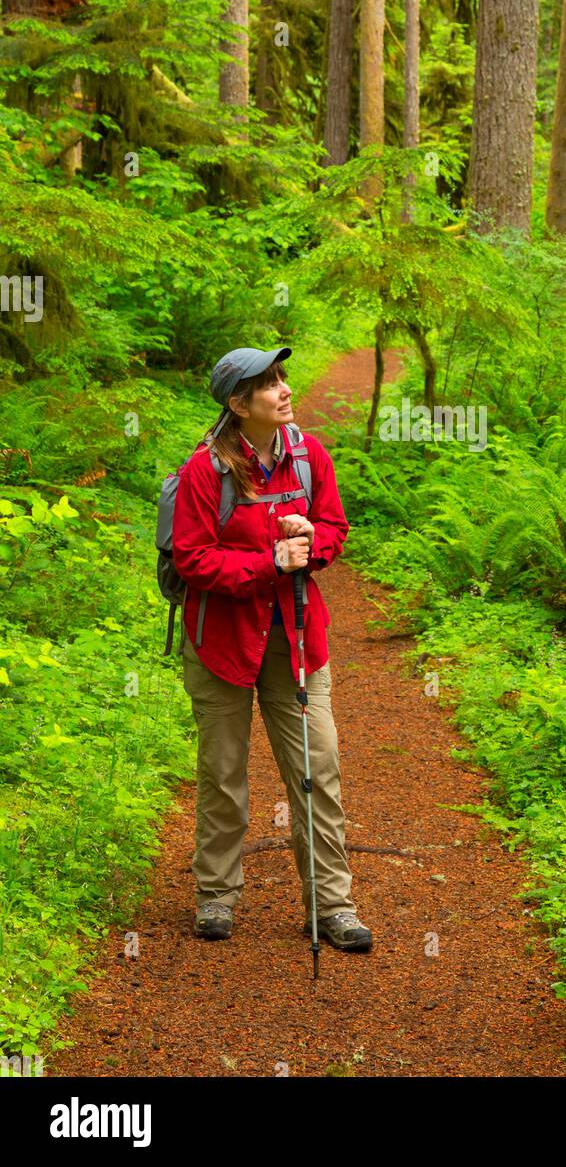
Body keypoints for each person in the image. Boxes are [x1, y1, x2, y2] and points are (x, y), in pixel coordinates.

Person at [171, 344, 372, 952]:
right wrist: (269, 563)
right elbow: (193, 557)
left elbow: (334, 527)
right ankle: (215, 896)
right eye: (270, 383)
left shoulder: (309, 457)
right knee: (224, 772)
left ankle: (332, 906)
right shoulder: (205, 471)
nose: (286, 389)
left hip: (297, 637)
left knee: (317, 769)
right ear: (239, 403)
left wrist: (313, 539)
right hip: (222, 643)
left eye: (284, 377)